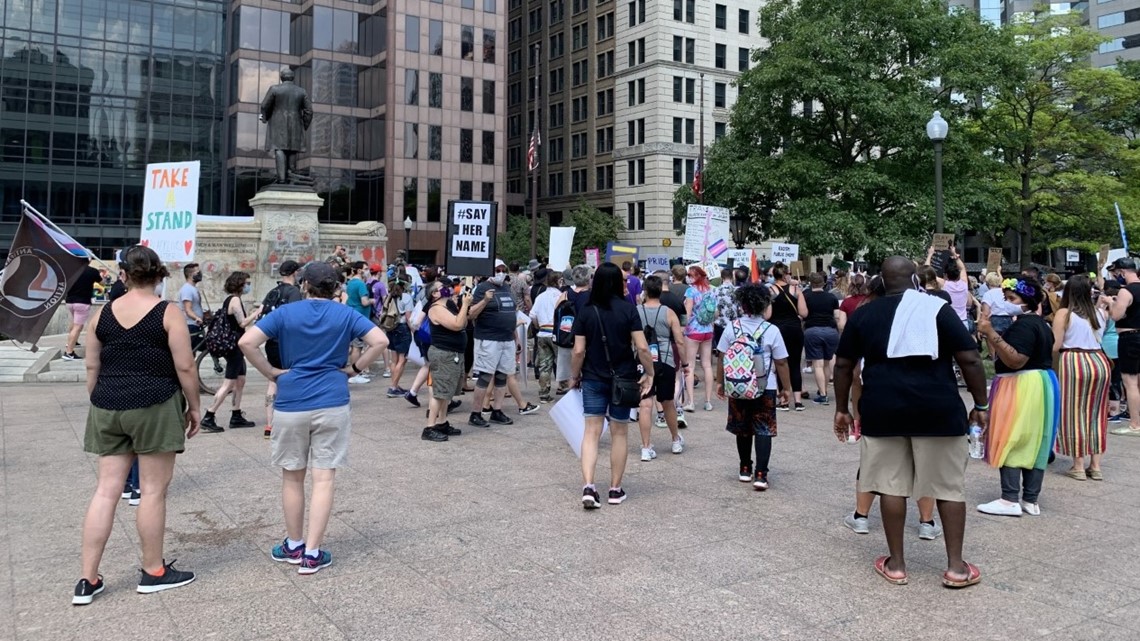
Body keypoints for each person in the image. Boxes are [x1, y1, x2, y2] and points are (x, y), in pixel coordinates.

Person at [834, 256, 987, 588]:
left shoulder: (864, 313)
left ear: (882, 280)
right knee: (948, 488)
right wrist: (981, 403)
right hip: (938, 409)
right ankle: (956, 568)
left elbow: (844, 364)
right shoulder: (936, 309)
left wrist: (842, 408)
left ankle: (898, 565)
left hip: (882, 409)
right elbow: (970, 357)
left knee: (891, 486)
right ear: (915, 278)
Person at [240, 261, 388, 575]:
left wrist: (272, 372)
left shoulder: (284, 313)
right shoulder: (345, 314)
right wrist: (355, 369)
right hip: (332, 399)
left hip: (292, 400)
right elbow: (380, 341)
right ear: (337, 288)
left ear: (304, 285)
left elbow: (247, 342)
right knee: (324, 477)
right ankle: (312, 552)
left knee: (292, 476)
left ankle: (293, 544)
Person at [74, 245, 201, 605]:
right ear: (159, 275)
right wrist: (194, 408)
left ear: (124, 276)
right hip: (155, 403)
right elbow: (186, 366)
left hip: (107, 403)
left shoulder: (102, 314)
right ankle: (153, 571)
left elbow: (91, 366)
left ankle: (87, 579)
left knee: (106, 490)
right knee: (152, 490)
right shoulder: (168, 312)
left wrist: (100, 400)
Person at [569, 262, 655, 508]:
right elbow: (641, 347)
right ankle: (615, 490)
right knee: (619, 432)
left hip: (593, 377)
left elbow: (578, 350)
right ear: (619, 282)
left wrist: (574, 376)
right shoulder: (628, 310)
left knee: (591, 432)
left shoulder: (586, 310)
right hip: (624, 378)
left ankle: (588, 486)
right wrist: (650, 373)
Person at [976, 277, 1058, 517]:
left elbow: (1015, 358)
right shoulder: (1041, 324)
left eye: (1012, 299)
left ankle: (1009, 498)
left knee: (1011, 435)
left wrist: (991, 332)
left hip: (1021, 384)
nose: (1007, 303)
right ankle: (1030, 499)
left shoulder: (1024, 325)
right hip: (1040, 383)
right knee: (1035, 439)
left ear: (1027, 301)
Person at [715, 283, 793, 490]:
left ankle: (744, 468)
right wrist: (787, 388)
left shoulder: (732, 327)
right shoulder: (772, 330)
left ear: (742, 304)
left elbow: (722, 356)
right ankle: (761, 473)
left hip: (737, 384)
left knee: (742, 427)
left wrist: (719, 382)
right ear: (764, 305)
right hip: (765, 385)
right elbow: (782, 362)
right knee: (763, 429)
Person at [1051, 274, 1109, 481]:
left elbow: (1055, 345)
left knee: (1074, 412)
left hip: (1074, 361)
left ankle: (1078, 465)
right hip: (1099, 361)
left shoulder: (1063, 314)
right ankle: (1095, 465)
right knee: (1096, 412)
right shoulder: (1099, 313)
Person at [468, 261, 540, 427]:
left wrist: (516, 338)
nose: (500, 272)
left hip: (507, 338)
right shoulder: (481, 288)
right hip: (488, 339)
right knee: (485, 376)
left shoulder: (507, 288)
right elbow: (471, 314)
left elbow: (512, 313)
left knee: (503, 376)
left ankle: (497, 410)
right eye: (497, 270)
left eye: (503, 270)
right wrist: (485, 300)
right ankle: (476, 413)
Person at [200, 272, 262, 432]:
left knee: (240, 380)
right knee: (229, 383)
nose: (249, 285)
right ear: (240, 284)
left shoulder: (233, 299)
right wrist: (256, 313)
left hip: (237, 346)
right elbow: (242, 323)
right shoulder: (234, 300)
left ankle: (236, 414)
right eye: (247, 283)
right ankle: (209, 415)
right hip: (233, 346)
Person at [636, 275, 689, 461]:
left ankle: (645, 446)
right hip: (665, 360)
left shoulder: (636, 311)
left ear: (644, 291)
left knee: (645, 404)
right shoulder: (668, 312)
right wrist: (686, 363)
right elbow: (680, 340)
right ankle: (675, 440)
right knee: (668, 402)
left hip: (642, 361)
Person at [421, 281, 471, 441]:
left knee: (447, 392)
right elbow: (457, 325)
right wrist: (464, 305)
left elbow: (464, 321)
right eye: (442, 287)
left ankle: (442, 422)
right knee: (440, 391)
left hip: (453, 353)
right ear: (434, 294)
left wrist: (463, 306)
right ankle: (429, 427)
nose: (447, 288)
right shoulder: (435, 308)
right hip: (443, 354)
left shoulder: (448, 305)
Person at [260, 260, 303, 438]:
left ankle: (269, 425)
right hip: (288, 343)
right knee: (291, 379)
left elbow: (263, 312)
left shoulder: (273, 291)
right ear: (294, 272)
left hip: (271, 342)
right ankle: (289, 422)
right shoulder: (295, 292)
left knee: (273, 381)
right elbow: (296, 318)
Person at [768, 263, 808, 411]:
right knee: (795, 364)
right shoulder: (797, 290)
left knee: (780, 364)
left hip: (778, 331)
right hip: (795, 330)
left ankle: (784, 400)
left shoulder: (770, 291)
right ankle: (798, 401)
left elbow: (768, 315)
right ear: (786, 274)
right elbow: (804, 313)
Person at [1108, 257, 1140, 437]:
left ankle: (1135, 424)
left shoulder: (1126, 292)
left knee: (1130, 382)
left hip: (1129, 337)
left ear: (1121, 272)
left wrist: (1111, 303)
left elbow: (1116, 316)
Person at [803, 272, 843, 405]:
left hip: (813, 330)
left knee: (817, 365)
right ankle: (823, 389)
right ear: (823, 283)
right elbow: (837, 316)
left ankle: (823, 395)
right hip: (831, 331)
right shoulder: (831, 297)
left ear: (810, 283)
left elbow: (802, 314)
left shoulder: (806, 296)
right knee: (826, 363)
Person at [553, 265, 591, 396]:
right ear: (589, 279)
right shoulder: (591, 297)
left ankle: (571, 398)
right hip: (586, 340)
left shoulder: (565, 295)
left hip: (566, 338)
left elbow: (556, 313)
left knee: (569, 373)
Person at [683, 265, 717, 412]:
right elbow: (715, 313)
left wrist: (682, 328)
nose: (688, 277)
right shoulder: (711, 290)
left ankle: (690, 402)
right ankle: (708, 401)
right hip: (708, 330)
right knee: (707, 365)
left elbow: (688, 313)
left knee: (689, 366)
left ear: (695, 277)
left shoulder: (691, 291)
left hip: (693, 331)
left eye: (690, 275)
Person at [62, 257, 103, 360]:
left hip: (69, 301)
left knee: (74, 322)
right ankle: (69, 352)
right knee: (78, 327)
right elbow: (101, 283)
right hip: (82, 302)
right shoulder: (92, 271)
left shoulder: (71, 271)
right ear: (89, 261)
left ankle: (72, 342)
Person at [531, 270, 562, 402]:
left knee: (544, 365)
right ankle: (564, 387)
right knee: (562, 363)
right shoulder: (561, 296)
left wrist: (538, 326)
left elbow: (533, 316)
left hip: (543, 332)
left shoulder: (540, 297)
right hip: (556, 333)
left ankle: (544, 393)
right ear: (558, 282)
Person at [344, 262, 374, 385]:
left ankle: (354, 372)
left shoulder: (350, 283)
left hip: (352, 315)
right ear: (359, 270)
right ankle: (354, 373)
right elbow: (364, 302)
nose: (367, 271)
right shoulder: (361, 284)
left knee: (354, 346)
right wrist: (373, 300)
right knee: (357, 346)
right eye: (366, 269)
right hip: (360, 317)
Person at [383, 279, 415, 397]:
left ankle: (394, 385)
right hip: (402, 328)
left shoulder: (389, 296)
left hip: (391, 328)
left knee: (394, 360)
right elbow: (408, 317)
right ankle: (393, 387)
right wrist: (414, 331)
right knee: (402, 359)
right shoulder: (406, 297)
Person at [178, 263, 207, 352]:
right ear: (191, 274)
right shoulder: (187, 289)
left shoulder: (192, 288)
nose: (200, 274)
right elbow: (188, 309)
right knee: (190, 351)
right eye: (198, 272)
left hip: (194, 324)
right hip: (190, 325)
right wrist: (197, 318)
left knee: (194, 350)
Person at [712, 267, 740, 350]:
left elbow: (713, 308)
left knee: (721, 351)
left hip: (719, 323)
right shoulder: (737, 291)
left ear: (721, 277)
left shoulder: (715, 290)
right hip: (734, 324)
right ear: (732, 277)